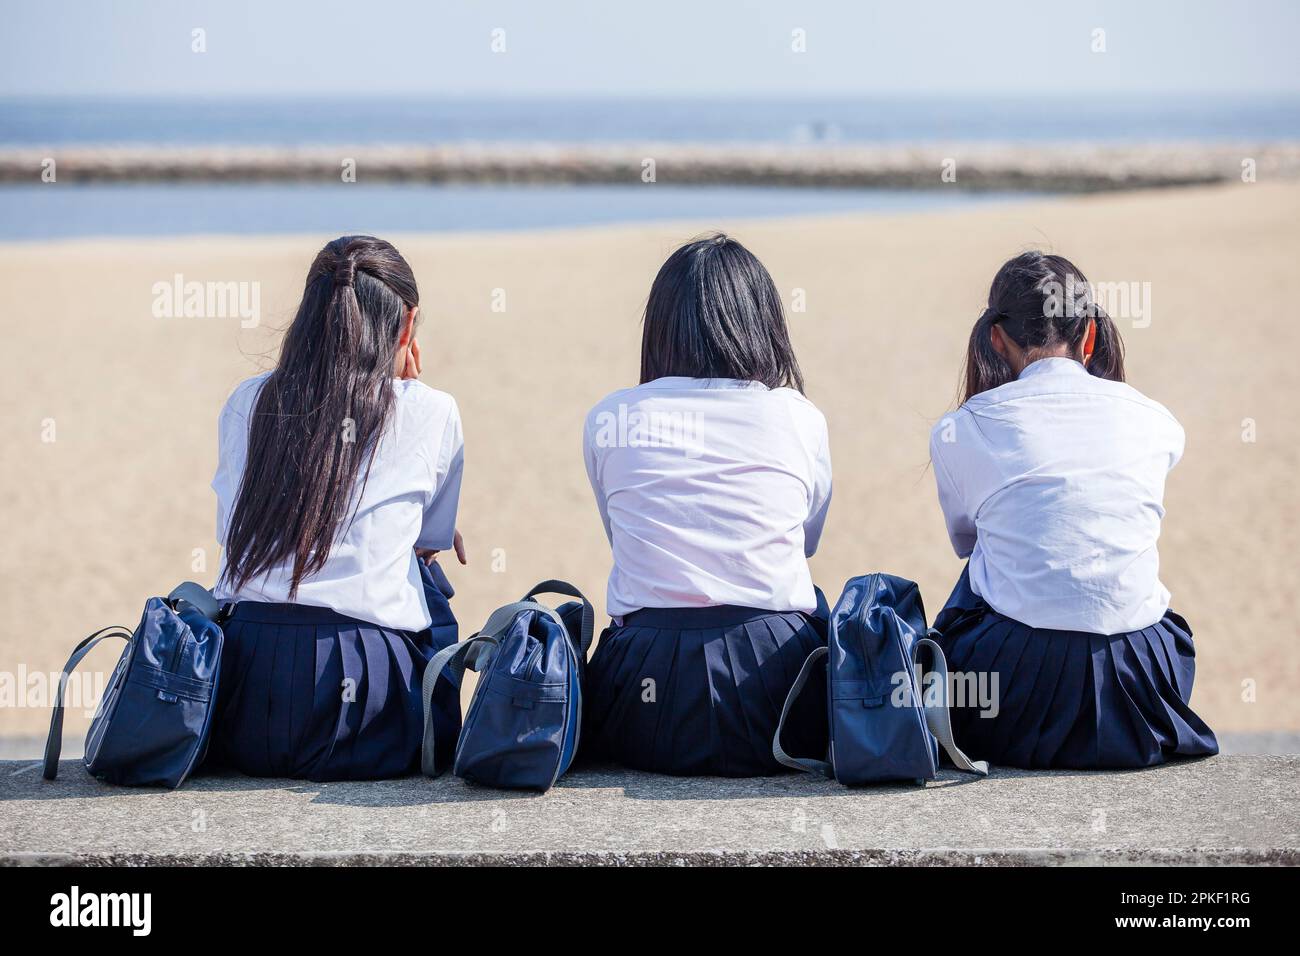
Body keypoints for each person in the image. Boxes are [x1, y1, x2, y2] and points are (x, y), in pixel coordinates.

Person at [929, 251, 1217, 769]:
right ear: (1089, 336)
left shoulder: (961, 428)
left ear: (996, 339)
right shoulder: (1155, 420)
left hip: (1012, 691)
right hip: (1143, 682)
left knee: (980, 570)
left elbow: (965, 543)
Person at [209, 235, 466, 780]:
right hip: (366, 710)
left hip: (245, 700)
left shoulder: (246, 402)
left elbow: (230, 535)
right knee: (427, 584)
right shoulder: (431, 410)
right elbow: (426, 546)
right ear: (408, 323)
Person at [581, 233, 832, 776]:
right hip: (777, 693)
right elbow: (803, 542)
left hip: (644, 700)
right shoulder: (797, 416)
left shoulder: (612, 416)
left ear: (659, 328)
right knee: (816, 603)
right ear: (763, 324)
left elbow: (625, 537)